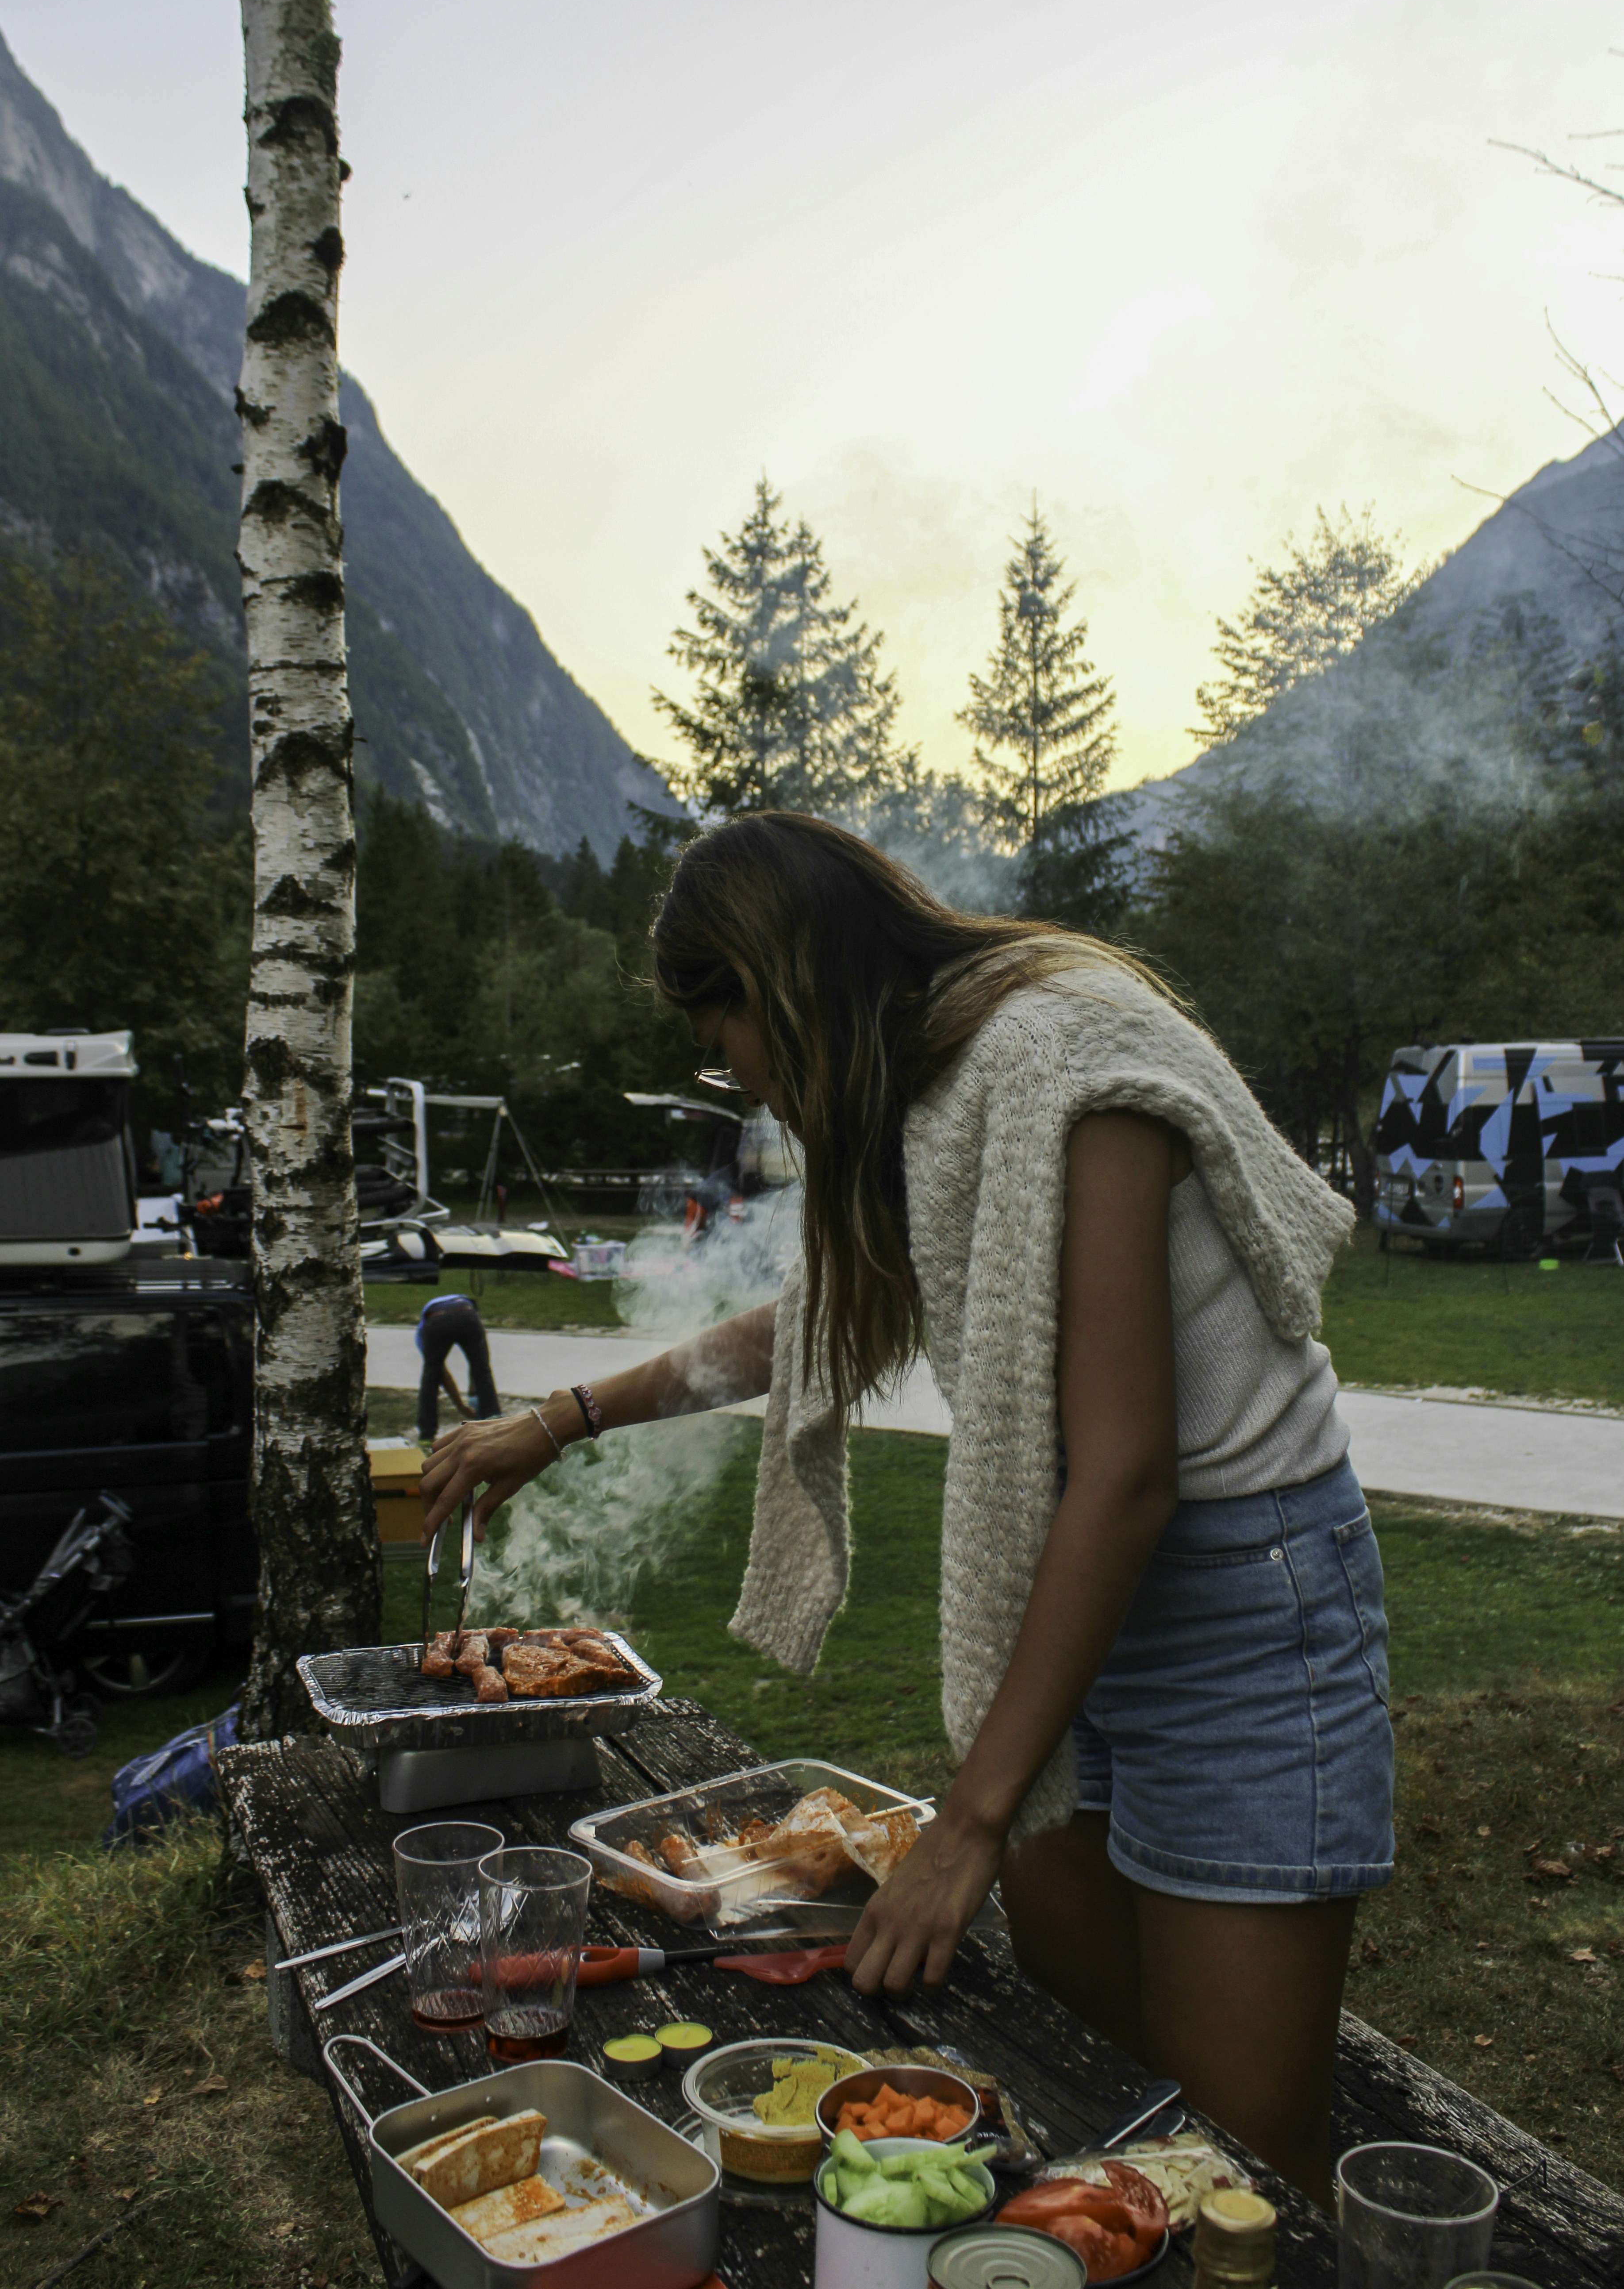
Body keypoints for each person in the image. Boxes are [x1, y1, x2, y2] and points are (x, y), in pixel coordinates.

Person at [419, 814, 1391, 2207]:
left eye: (735, 1050)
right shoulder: (936, 1089)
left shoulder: (1064, 1053)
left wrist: (965, 1823)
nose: (755, 1093)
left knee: (1241, 2172)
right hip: (1064, 1608)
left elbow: (1124, 1471)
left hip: (1239, 1617)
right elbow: (821, 1316)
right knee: (1102, 2091)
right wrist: (560, 1416)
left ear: (777, 986)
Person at [415, 1293, 500, 1445]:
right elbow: (478, 1369)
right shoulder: (469, 1308)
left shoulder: (422, 1333)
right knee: (482, 1371)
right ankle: (495, 1425)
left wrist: (461, 1406)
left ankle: (427, 1435)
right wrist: (466, 1402)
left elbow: (442, 1375)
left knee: (430, 1377)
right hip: (468, 1316)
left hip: (436, 1321)